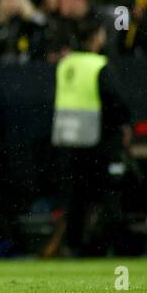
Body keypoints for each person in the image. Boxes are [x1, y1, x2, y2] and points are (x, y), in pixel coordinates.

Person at [46, 16, 132, 256]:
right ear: (95, 38)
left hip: (70, 141)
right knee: (109, 195)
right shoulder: (99, 65)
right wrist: (124, 126)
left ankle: (74, 247)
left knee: (76, 199)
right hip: (100, 141)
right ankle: (113, 247)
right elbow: (115, 102)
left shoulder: (65, 65)